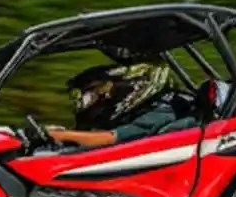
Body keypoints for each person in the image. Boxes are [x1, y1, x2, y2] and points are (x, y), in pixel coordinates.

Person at [46, 62, 199, 148]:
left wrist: (63, 135)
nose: (104, 96)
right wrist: (65, 137)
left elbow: (110, 138)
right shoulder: (144, 110)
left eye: (99, 90)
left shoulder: (164, 110)